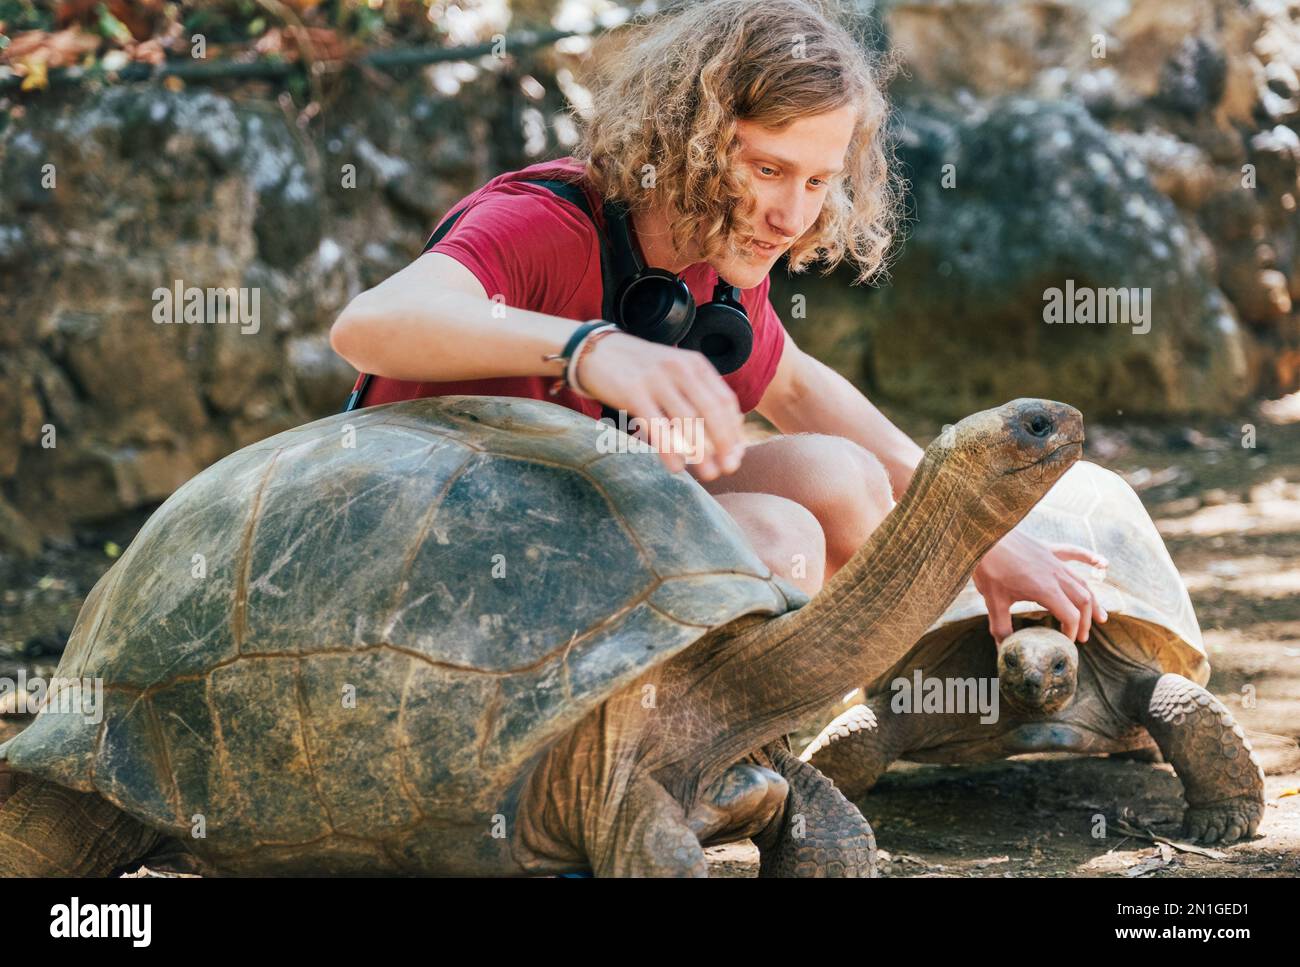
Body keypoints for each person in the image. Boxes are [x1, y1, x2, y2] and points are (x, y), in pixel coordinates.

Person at [329, 0, 1107, 643]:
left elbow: (799, 387)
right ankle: (692, 766)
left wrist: (979, 536)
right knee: (777, 538)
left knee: (840, 479)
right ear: (687, 137)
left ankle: (745, 743)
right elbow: (368, 324)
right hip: (431, 565)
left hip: (565, 533)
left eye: (817, 180)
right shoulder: (544, 222)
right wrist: (589, 351)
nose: (791, 213)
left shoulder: (722, 260)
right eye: (766, 169)